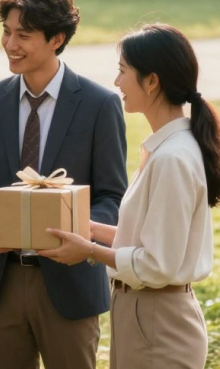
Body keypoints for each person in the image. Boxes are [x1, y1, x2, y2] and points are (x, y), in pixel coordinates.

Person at [0, 0, 128, 369]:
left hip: (71, 284)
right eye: (6, 31)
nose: (10, 44)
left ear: (57, 39)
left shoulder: (99, 105)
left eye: (24, 35)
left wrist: (78, 233)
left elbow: (113, 196)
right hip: (2, 284)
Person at [39, 24, 218, 369]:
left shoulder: (172, 159)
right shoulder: (164, 150)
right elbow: (143, 239)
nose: (117, 82)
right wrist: (86, 227)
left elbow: (156, 263)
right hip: (144, 314)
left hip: (158, 319)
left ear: (151, 81)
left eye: (123, 72)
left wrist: (88, 251)